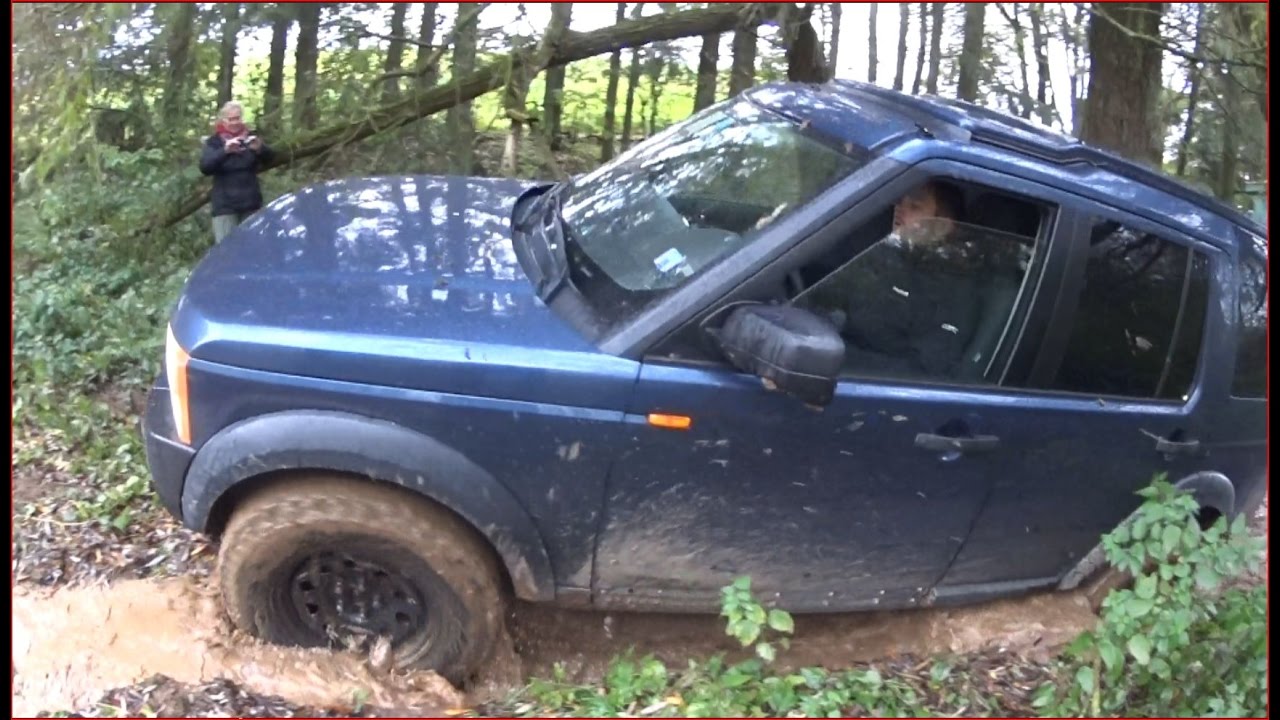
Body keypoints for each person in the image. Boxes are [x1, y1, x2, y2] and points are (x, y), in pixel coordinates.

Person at [800, 180, 1013, 382]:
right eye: (900, 202)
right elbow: (830, 295)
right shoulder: (890, 257)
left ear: (942, 227)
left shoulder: (956, 293)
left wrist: (829, 359)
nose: (900, 209)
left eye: (915, 206)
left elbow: (920, 374)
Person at [199, 101, 275, 242]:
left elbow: (271, 158)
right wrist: (225, 151)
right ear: (223, 120)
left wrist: (260, 149)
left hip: (251, 204)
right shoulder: (214, 142)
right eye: (231, 119)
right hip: (225, 207)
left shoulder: (250, 137)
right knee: (227, 253)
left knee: (253, 249)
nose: (235, 122)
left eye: (237, 118)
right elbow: (205, 167)